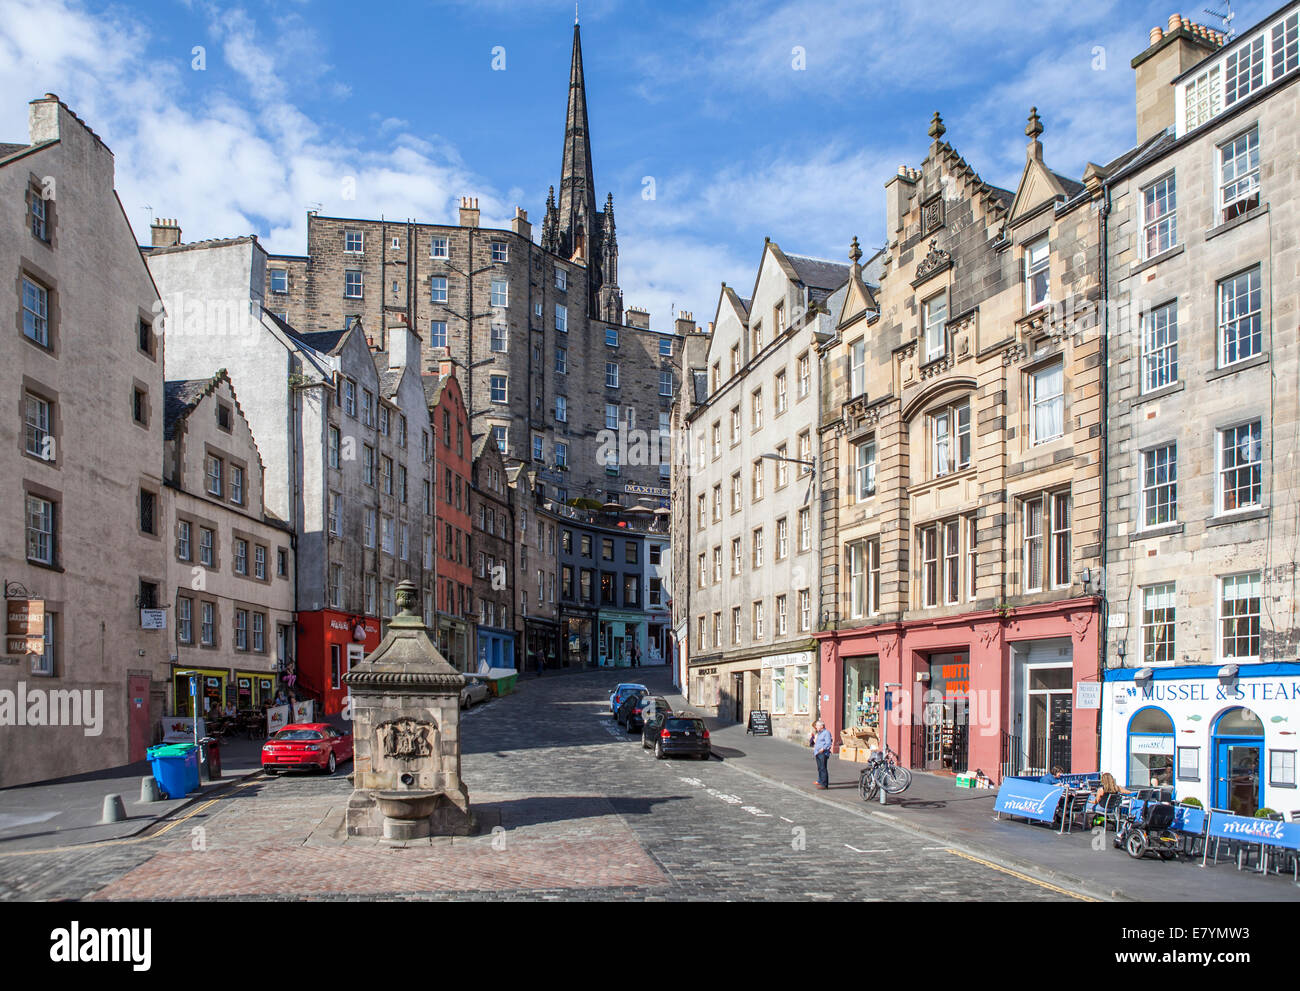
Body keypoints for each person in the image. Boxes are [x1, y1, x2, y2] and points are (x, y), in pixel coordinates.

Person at [808, 719, 833, 790]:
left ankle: (825, 784)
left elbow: (828, 743)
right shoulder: (819, 733)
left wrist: (823, 749)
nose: (816, 727)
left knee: (823, 768)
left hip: (823, 753)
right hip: (817, 753)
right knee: (819, 768)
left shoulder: (826, 733)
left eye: (817, 726)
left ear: (822, 726)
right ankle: (821, 782)